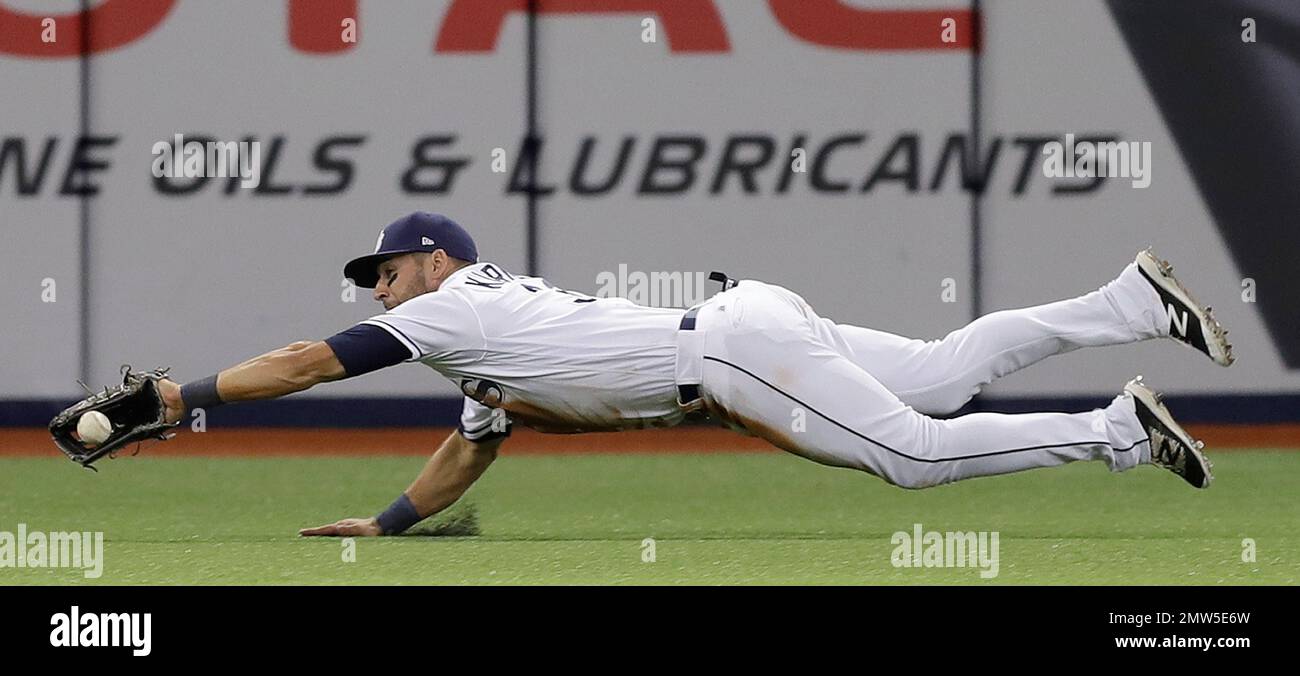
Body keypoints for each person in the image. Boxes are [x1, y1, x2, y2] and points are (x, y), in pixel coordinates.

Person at [152, 212, 1233, 536]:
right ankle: (1127, 306)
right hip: (739, 324)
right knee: (946, 375)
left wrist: (180, 398)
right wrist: (385, 526)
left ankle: (1119, 432)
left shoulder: (451, 304)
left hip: (723, 354)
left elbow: (302, 364)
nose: (379, 290)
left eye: (384, 272)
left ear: (432, 260)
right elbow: (464, 448)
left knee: (916, 456)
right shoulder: (475, 332)